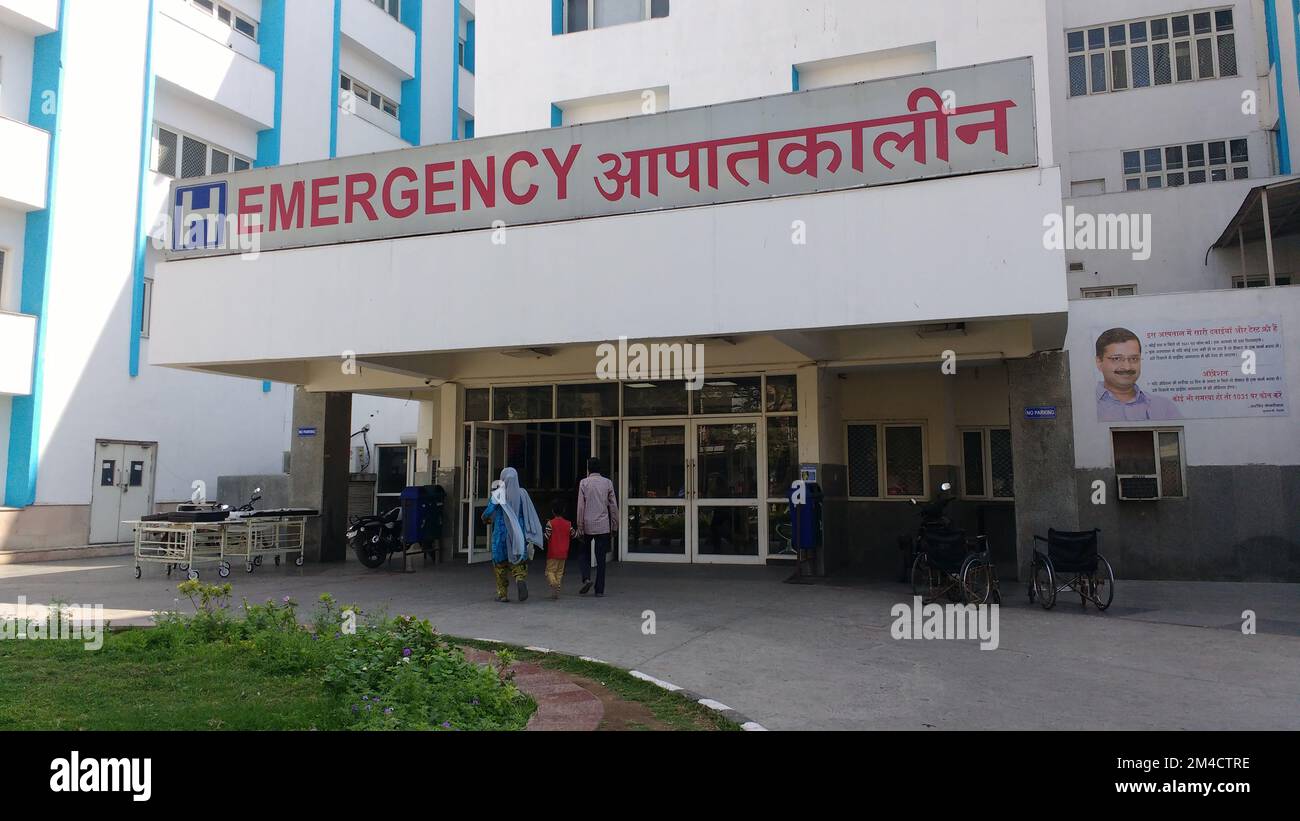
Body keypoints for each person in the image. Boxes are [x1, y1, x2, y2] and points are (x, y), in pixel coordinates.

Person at [481, 467, 542, 603]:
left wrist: (484, 519)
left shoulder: (498, 494)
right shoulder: (522, 494)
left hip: (501, 533)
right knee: (517, 559)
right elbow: (528, 512)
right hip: (517, 532)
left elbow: (488, 511)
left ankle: (502, 594)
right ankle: (520, 578)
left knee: (500, 564)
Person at [1094, 327, 1182, 421]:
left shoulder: (1164, 407)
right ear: (1099, 362)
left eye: (1133, 359)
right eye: (1117, 359)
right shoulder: (1085, 405)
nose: (1127, 367)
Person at [575, 457, 619, 597]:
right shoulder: (607, 483)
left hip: (587, 524)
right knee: (601, 559)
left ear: (588, 469)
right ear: (601, 469)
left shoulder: (584, 483)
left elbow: (581, 507)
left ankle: (587, 578)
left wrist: (580, 526)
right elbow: (613, 506)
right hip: (603, 526)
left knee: (583, 554)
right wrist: (614, 525)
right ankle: (599, 590)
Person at [542, 499, 573, 600]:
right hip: (564, 553)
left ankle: (554, 584)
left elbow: (546, 536)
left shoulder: (550, 523)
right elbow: (574, 534)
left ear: (552, 511)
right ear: (563, 511)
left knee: (549, 572)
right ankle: (556, 591)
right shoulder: (568, 524)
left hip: (553, 552)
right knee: (559, 572)